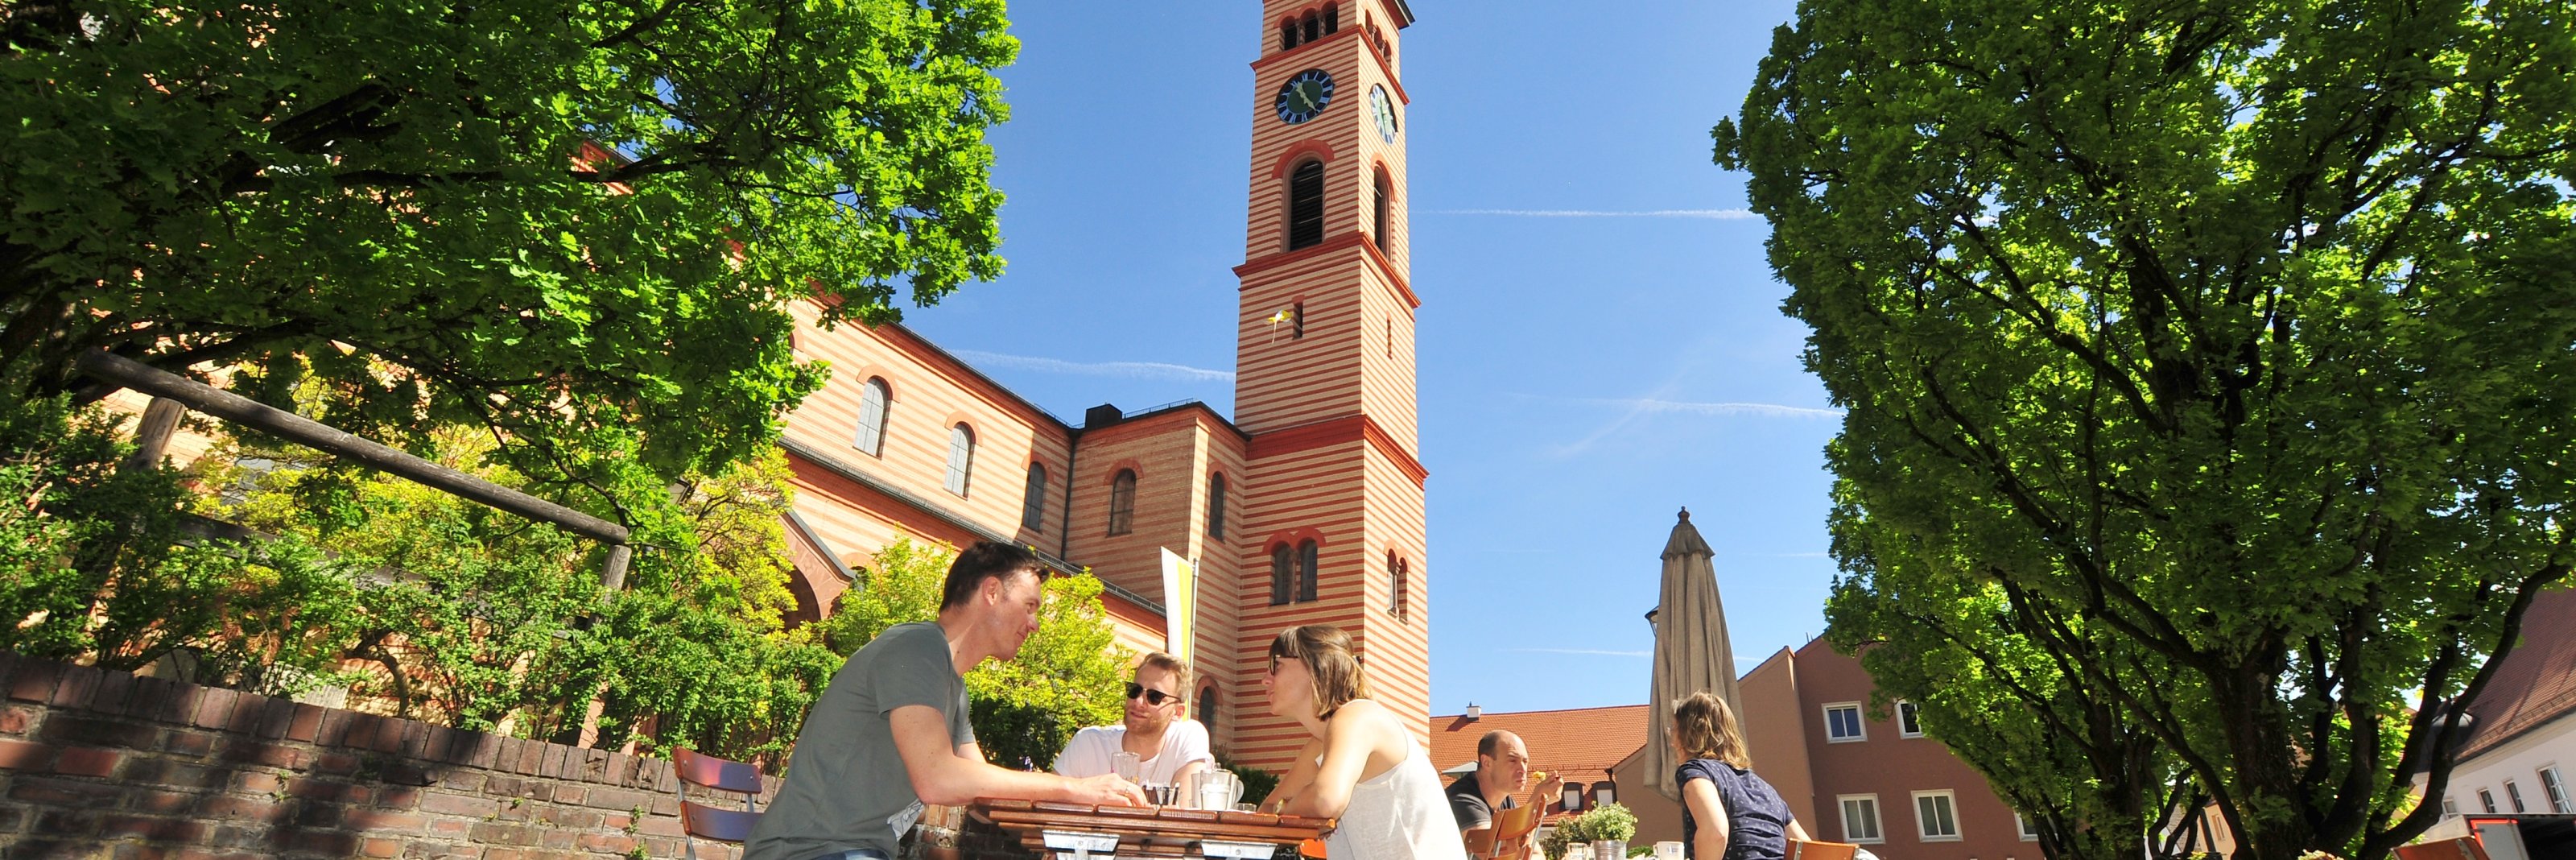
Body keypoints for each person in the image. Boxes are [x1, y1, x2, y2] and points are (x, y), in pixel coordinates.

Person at [745, 541, 1146, 860]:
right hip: (811, 851)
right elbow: (938, 779)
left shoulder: (953, 687)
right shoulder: (917, 648)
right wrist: (1076, 790)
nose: (1034, 623)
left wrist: (1076, 811)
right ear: (991, 591)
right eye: (1029, 606)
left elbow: (978, 786)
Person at [1257, 624, 1468, 860]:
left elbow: (1325, 800)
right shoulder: (1322, 742)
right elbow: (1266, 812)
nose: (1264, 680)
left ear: (1316, 665)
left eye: (1276, 665)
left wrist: (1287, 808)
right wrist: (1294, 806)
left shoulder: (1359, 717)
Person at [1670, 691, 1810, 860]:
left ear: (1688, 734)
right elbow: (1806, 849)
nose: (1672, 741)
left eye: (1674, 730)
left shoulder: (1697, 772)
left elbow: (1716, 831)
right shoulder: (1764, 788)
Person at [1053, 651, 1216, 791]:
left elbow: (1182, 815)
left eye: (1154, 697)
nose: (1138, 702)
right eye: (1135, 690)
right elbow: (1046, 806)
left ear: (1178, 712)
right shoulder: (1089, 743)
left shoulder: (1188, 737)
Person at [1447, 730, 1565, 853]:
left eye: (1525, 762)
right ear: (1487, 763)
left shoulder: (1505, 801)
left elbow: (1536, 854)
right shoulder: (1462, 799)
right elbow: (1500, 855)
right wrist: (1537, 804)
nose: (1523, 770)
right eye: (1513, 761)